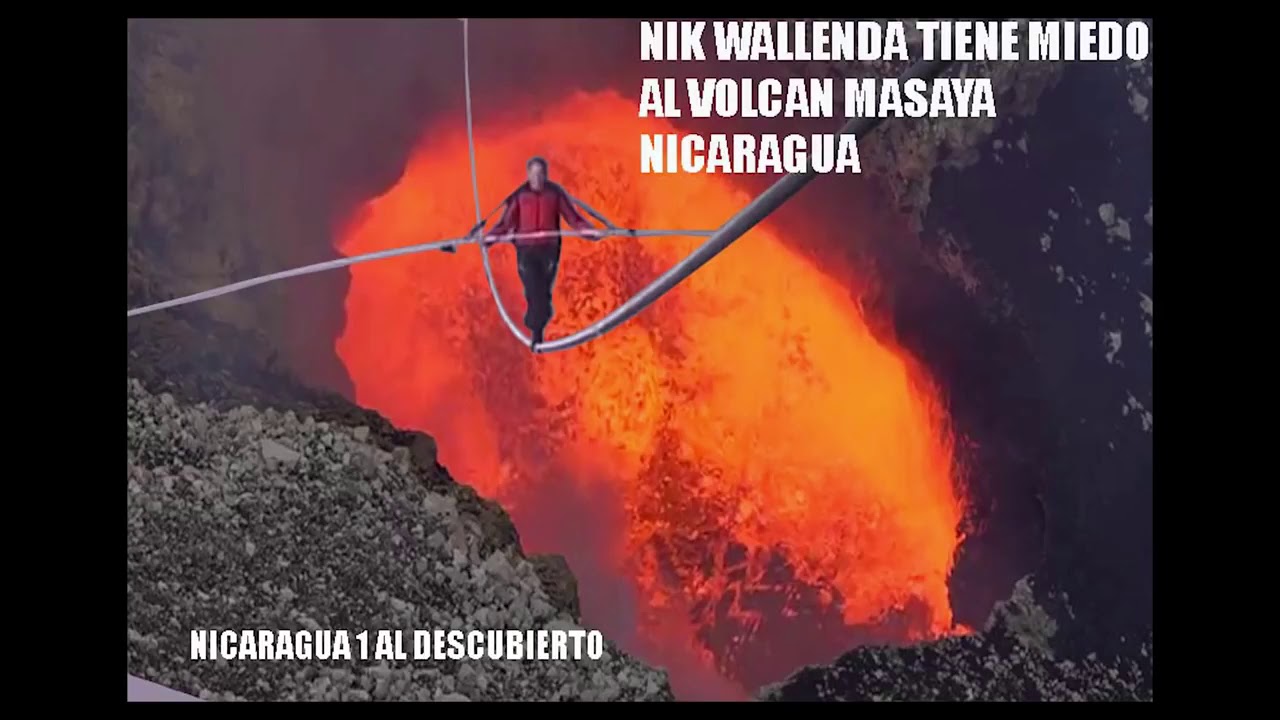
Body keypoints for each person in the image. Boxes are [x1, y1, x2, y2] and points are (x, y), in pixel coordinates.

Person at [484, 156, 602, 348]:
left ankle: (539, 325)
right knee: (534, 289)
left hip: (548, 251)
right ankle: (536, 331)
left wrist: (592, 233)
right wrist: (489, 239)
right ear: (528, 175)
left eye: (541, 174)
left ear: (546, 175)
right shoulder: (520, 196)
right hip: (526, 251)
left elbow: (574, 219)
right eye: (534, 174)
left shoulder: (555, 194)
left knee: (544, 292)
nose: (538, 179)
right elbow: (505, 224)